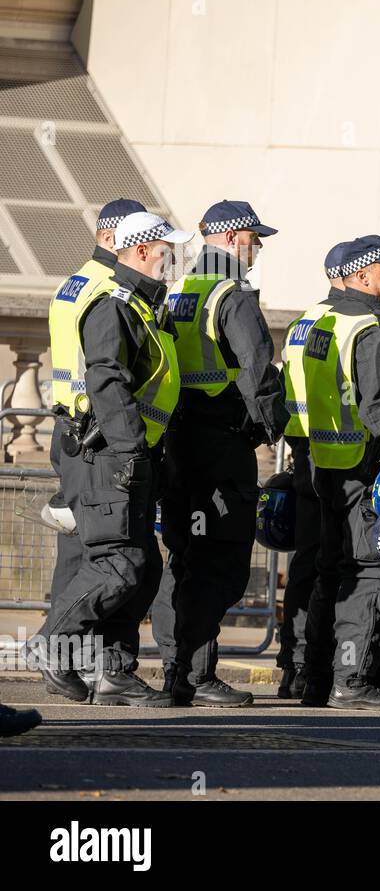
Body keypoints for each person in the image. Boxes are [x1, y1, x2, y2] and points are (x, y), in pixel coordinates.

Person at [31, 212, 190, 706]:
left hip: (122, 451)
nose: (172, 259)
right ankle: (51, 643)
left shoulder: (136, 301)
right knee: (118, 563)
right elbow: (106, 379)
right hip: (107, 453)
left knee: (140, 567)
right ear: (141, 250)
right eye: (166, 249)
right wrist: (128, 450)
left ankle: (113, 674)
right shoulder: (115, 302)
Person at [154, 201, 288, 707]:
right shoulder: (232, 293)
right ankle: (192, 674)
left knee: (186, 556)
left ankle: (179, 670)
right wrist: (272, 427)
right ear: (233, 240)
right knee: (224, 560)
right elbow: (257, 367)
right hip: (222, 441)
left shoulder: (181, 288)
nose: (258, 249)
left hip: (178, 440)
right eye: (256, 239)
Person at [35, 197, 145, 701]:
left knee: (84, 552)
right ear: (113, 236)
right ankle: (67, 656)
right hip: (97, 436)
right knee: (109, 556)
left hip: (74, 431)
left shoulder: (74, 282)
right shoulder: (108, 290)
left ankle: (84, 665)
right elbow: (107, 373)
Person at [300, 236, 380, 709]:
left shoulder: (321, 320)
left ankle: (318, 682)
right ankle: (354, 682)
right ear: (364, 276)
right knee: (370, 574)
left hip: (323, 463)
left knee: (331, 573)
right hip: (364, 468)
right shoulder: (372, 331)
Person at [276, 241, 349, 699]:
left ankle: (294, 663)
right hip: (333, 452)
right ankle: (312, 662)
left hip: (303, 446)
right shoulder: (340, 322)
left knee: (307, 561)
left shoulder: (304, 321)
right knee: (330, 564)